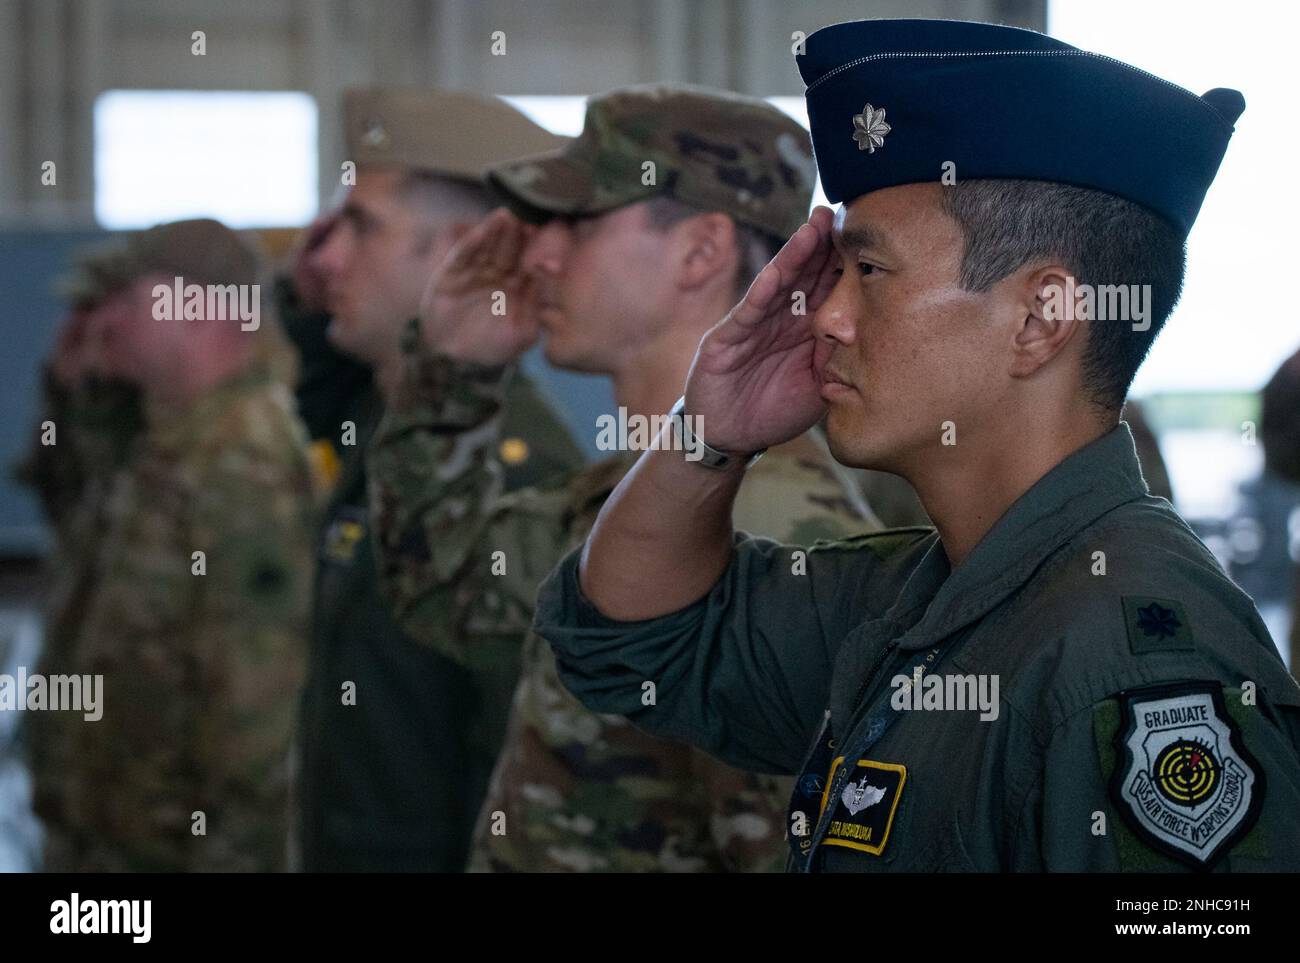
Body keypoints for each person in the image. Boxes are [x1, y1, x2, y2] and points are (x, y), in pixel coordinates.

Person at [535, 19, 1300, 871]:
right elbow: (624, 640)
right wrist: (708, 435)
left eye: (869, 272)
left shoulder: (1135, 666)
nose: (824, 315)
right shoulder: (917, 593)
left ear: (1040, 318)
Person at [368, 84, 875, 872]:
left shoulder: (768, 524)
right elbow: (443, 591)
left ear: (702, 250)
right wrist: (453, 374)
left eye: (578, 221)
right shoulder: (626, 494)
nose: (538, 253)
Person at [296, 88, 585, 871]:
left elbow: (512, 779)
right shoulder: (383, 427)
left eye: (360, 227)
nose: (324, 261)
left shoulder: (515, 469)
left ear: (462, 248)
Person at [27, 218, 315, 871]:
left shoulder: (245, 458)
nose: (109, 323)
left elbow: (258, 723)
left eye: (129, 302)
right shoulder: (171, 439)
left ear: (197, 308)